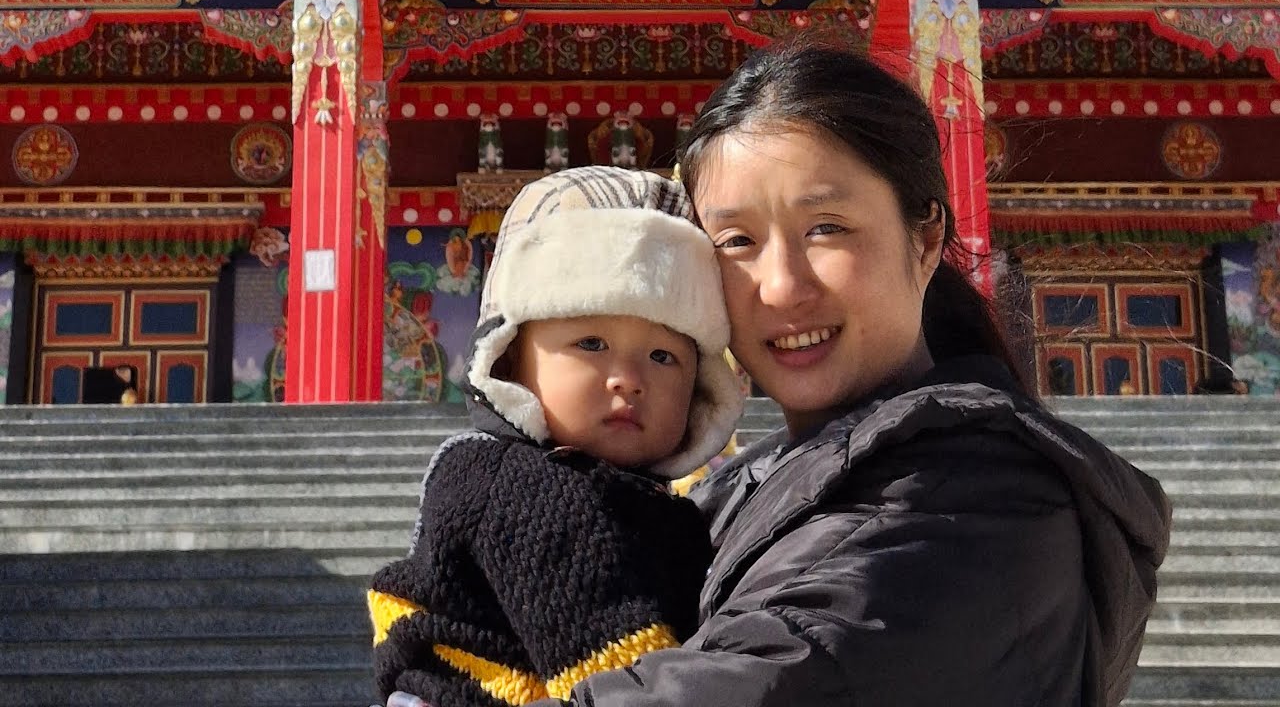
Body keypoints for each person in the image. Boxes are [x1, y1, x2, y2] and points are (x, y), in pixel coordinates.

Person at [392, 42, 1173, 707]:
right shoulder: (740, 489)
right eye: (735, 242)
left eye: (826, 227)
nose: (780, 285)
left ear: (926, 236)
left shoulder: (977, 503)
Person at [366, 166, 745, 707]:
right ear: (512, 360)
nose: (629, 379)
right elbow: (617, 664)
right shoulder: (521, 489)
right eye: (591, 343)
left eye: (664, 356)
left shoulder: (652, 501)